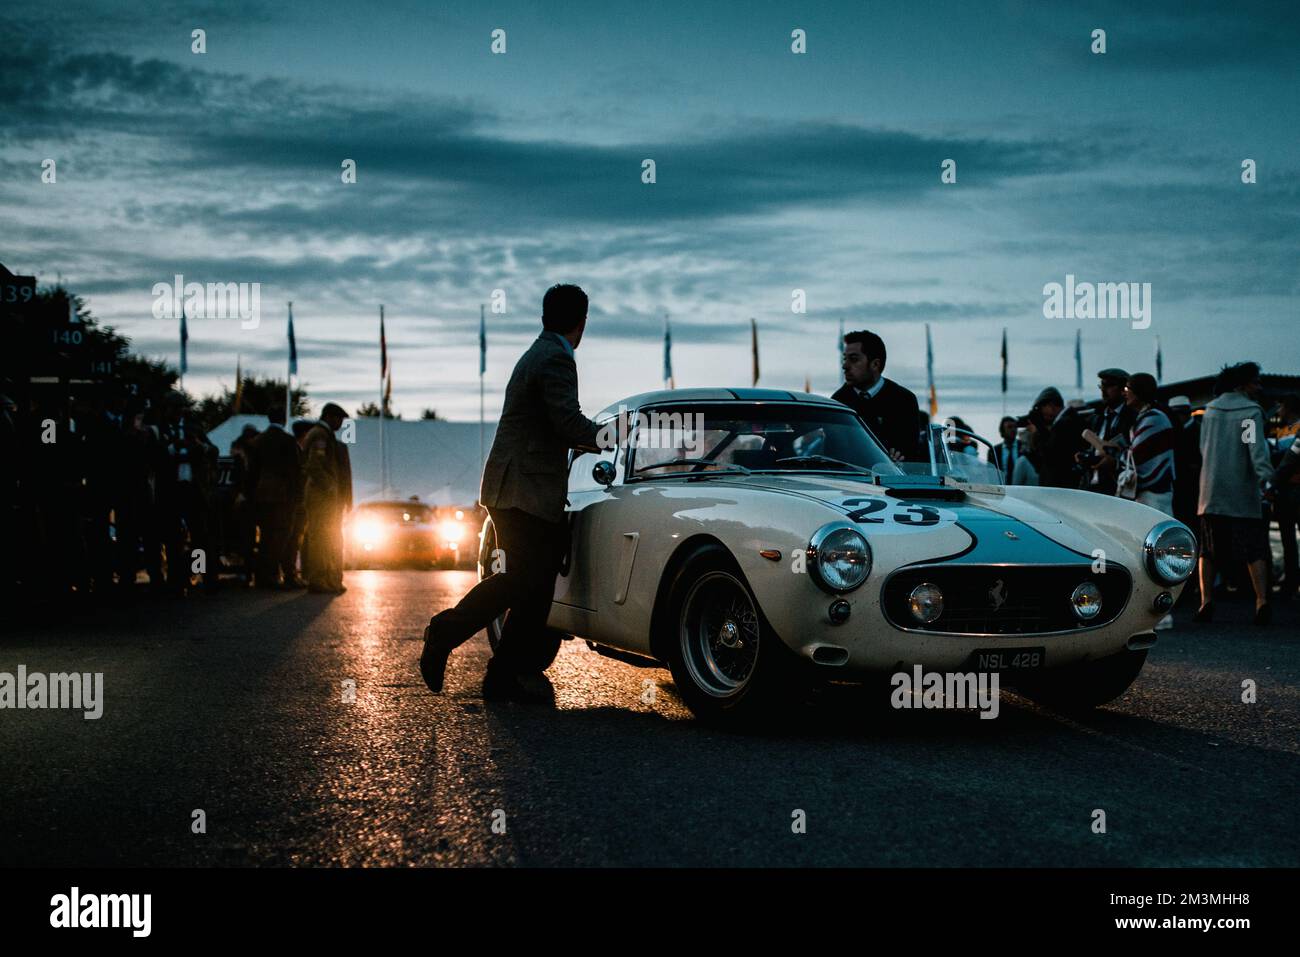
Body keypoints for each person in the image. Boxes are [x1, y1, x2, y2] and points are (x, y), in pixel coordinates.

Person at [419, 284, 610, 703]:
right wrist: (612, 436)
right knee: (520, 582)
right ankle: (444, 632)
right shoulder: (557, 356)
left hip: (514, 488)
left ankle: (501, 676)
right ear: (582, 322)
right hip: (525, 492)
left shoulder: (537, 352)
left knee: (534, 587)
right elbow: (566, 421)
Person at [1195, 362, 1274, 625]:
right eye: (1256, 381)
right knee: (1254, 548)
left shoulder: (1211, 411)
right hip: (1240, 490)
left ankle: (1206, 601)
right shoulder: (1249, 413)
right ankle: (1261, 600)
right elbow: (1255, 450)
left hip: (1211, 491)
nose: (1259, 386)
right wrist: (1266, 479)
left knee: (1208, 550)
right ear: (1243, 384)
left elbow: (1203, 449)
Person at [832, 330, 921, 462]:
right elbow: (834, 451)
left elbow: (910, 452)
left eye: (853, 359)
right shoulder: (838, 403)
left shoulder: (903, 400)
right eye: (845, 359)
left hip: (892, 479)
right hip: (850, 478)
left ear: (875, 364)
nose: (845, 366)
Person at [246, 405, 302, 589]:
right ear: (284, 419)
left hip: (261, 495)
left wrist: (250, 494)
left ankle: (261, 576)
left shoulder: (257, 441)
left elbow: (251, 472)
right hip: (283, 496)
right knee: (282, 536)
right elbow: (295, 471)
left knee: (265, 536)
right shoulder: (288, 441)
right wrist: (298, 496)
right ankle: (273, 575)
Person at [302, 403, 349, 594]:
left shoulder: (323, 434)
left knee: (327, 537)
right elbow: (314, 465)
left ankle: (326, 578)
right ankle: (318, 579)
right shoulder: (320, 435)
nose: (341, 424)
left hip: (324, 496)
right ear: (330, 417)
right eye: (339, 419)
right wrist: (330, 487)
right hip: (321, 496)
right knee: (321, 537)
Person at [1121, 373, 1176, 513]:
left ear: (1138, 392)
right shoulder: (1152, 417)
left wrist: (1115, 457)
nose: (1124, 393)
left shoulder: (1153, 419)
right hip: (1153, 492)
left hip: (1154, 493)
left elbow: (1135, 454)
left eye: (1127, 389)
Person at [1079, 368, 1135, 494]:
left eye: (1109, 386)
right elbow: (1095, 447)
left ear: (1123, 389)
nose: (1103, 391)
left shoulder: (1131, 417)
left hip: (1118, 486)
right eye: (1102, 386)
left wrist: (1115, 462)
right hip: (1094, 485)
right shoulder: (1098, 418)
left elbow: (1135, 452)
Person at [1269, 394, 1300, 598]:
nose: (1277, 411)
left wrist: (1273, 483)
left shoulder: (1295, 429)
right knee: (1287, 538)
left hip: (1292, 488)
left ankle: (1291, 581)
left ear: (1288, 407)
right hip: (1286, 489)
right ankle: (1291, 580)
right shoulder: (1279, 430)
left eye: (1280, 406)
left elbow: (1288, 460)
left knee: (1288, 537)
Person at [1025, 387, 1086, 489]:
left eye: (1042, 408)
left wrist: (1038, 431)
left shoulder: (1065, 423)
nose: (1041, 414)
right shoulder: (1068, 420)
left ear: (1051, 406)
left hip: (1060, 487)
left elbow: (1049, 455)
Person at [988, 416, 1019, 481]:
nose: (1013, 430)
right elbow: (991, 474)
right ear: (1002, 431)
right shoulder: (994, 451)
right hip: (1002, 487)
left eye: (1015, 427)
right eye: (1009, 427)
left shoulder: (1023, 447)